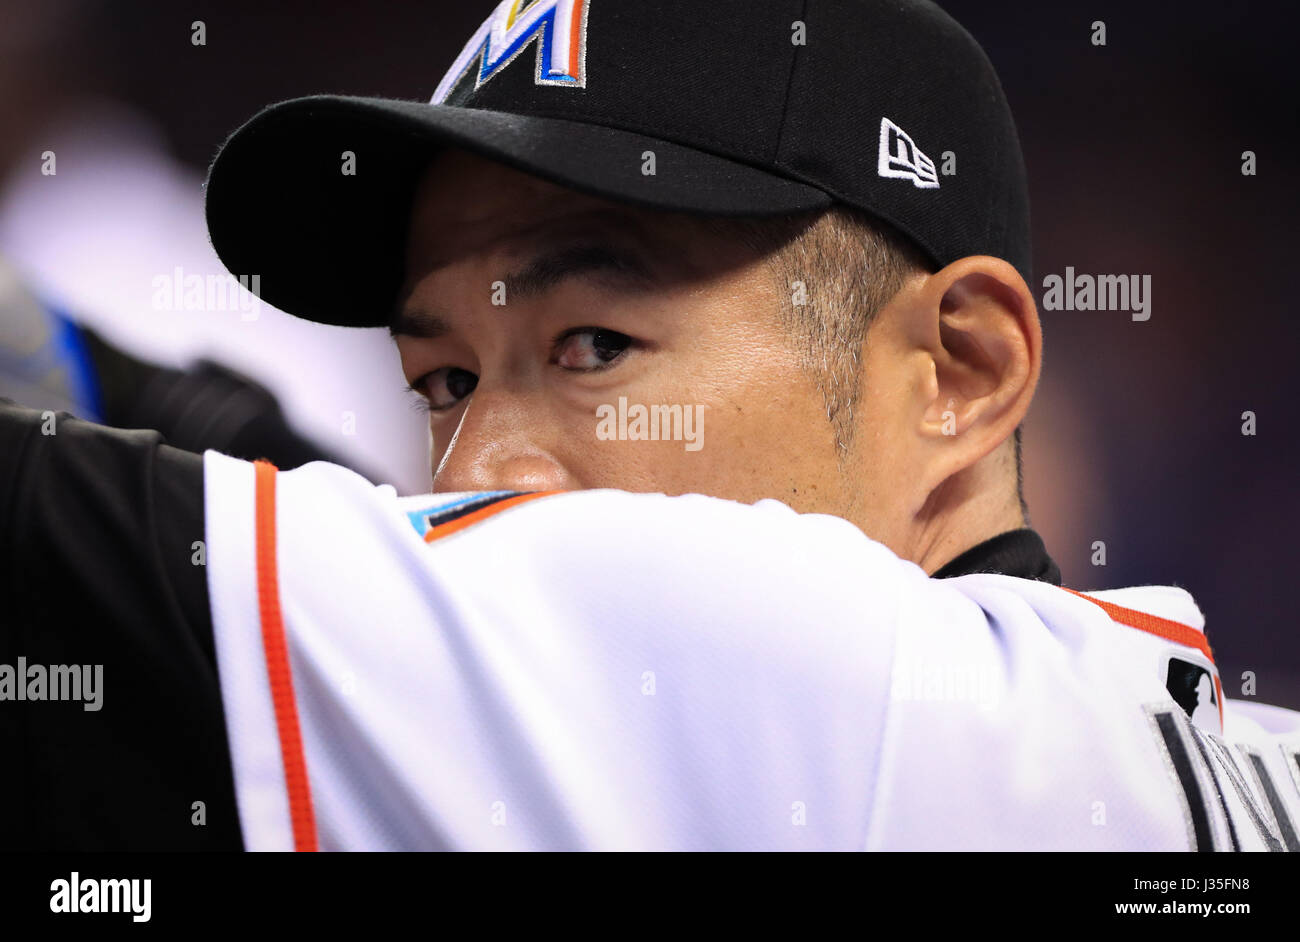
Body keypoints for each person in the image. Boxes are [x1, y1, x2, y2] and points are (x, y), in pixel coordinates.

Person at [2, 0, 1297, 851]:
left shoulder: (825, 696)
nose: (477, 470)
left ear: (957, 368)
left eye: (593, 347)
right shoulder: (1216, 756)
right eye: (442, 382)